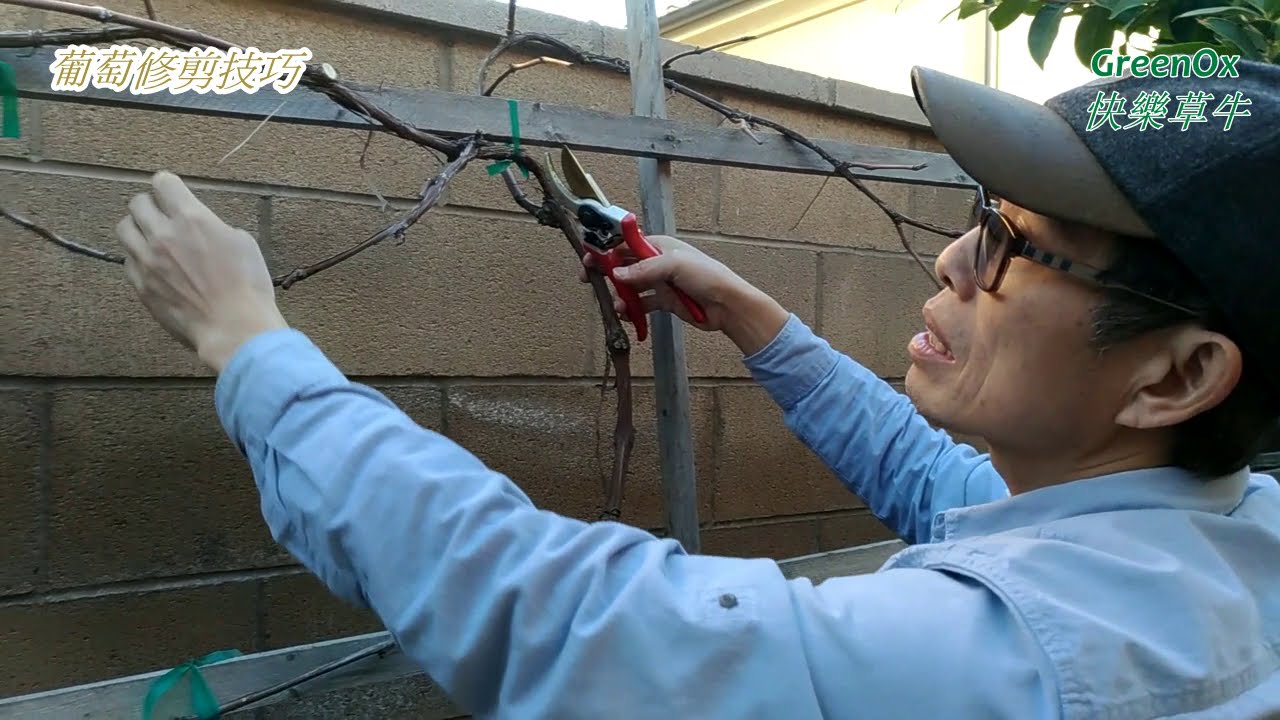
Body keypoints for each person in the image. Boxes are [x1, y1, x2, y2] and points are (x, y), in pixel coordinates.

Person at [112, 58, 1280, 719]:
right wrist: (761, 326)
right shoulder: (1229, 533)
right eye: (976, 219)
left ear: (1175, 377)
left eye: (1013, 245)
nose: (951, 260)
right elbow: (946, 490)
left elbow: (568, 621)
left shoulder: (1005, 665)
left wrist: (252, 344)